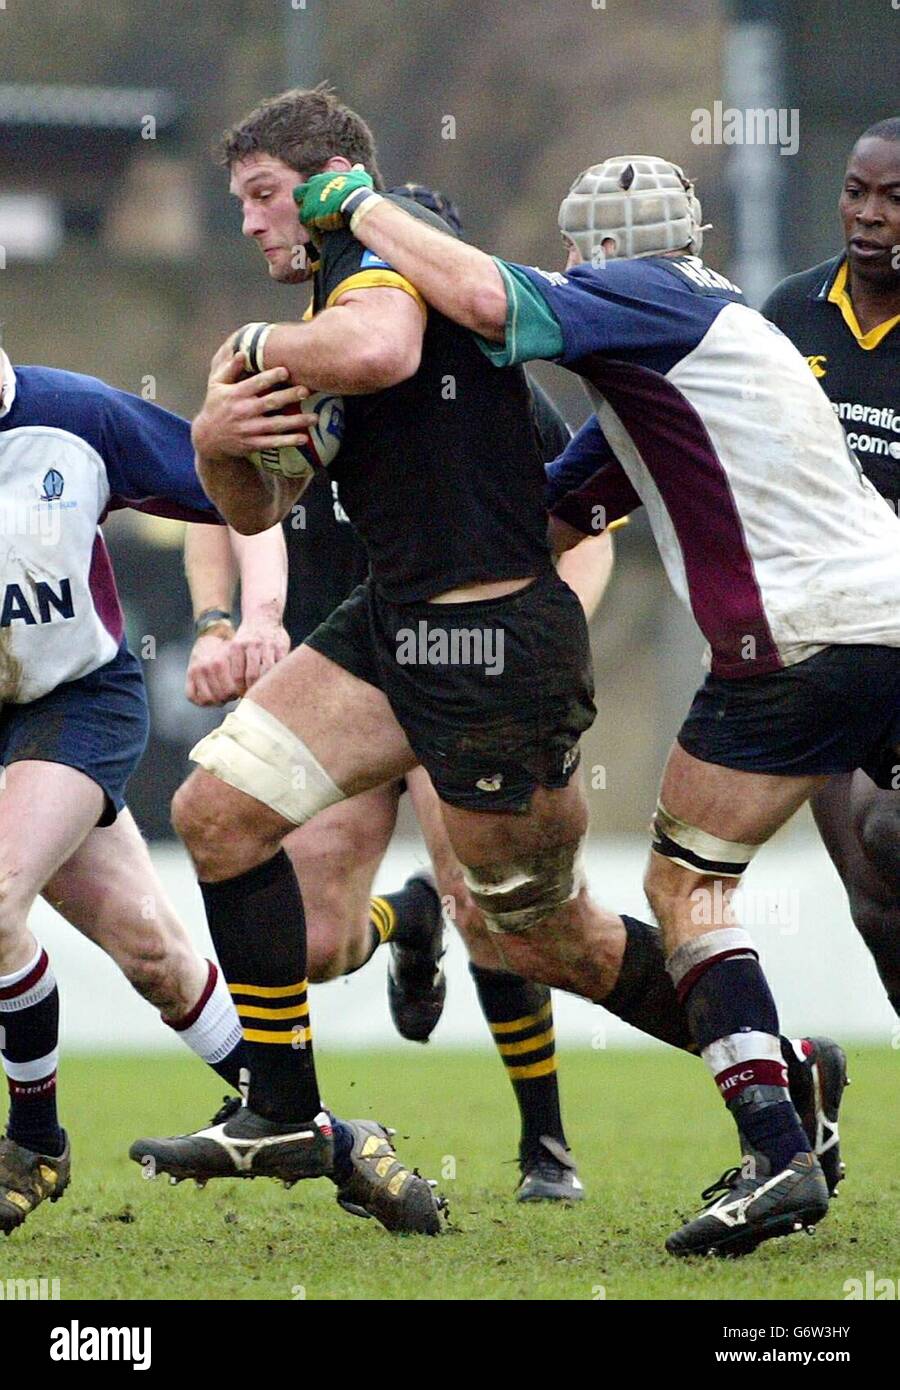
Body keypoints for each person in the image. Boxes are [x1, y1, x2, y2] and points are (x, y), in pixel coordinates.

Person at [294, 150, 900, 1255]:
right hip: (885, 620)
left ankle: (778, 1151)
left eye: (582, 251)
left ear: (612, 252)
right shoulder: (692, 350)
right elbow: (555, 516)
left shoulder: (646, 297)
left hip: (804, 636)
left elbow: (485, 296)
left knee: (685, 886)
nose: (572, 268)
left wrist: (362, 212)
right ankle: (789, 1118)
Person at [179, 172, 597, 1201]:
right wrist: (224, 620)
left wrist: (545, 637)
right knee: (317, 942)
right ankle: (395, 926)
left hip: (467, 662)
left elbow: (587, 524)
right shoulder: (311, 357)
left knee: (488, 904)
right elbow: (216, 502)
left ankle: (545, 1145)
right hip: (352, 663)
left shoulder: (490, 378)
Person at [0, 347, 441, 1237]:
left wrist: (252, 618)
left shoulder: (77, 415)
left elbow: (237, 490)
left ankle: (34, 1143)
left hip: (72, 707)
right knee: (158, 961)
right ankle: (334, 1138)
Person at [762, 117, 900, 1017]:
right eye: (857, 191)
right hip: (819, 635)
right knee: (874, 904)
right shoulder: (788, 316)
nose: (871, 215)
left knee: (890, 831)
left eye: (895, 199)